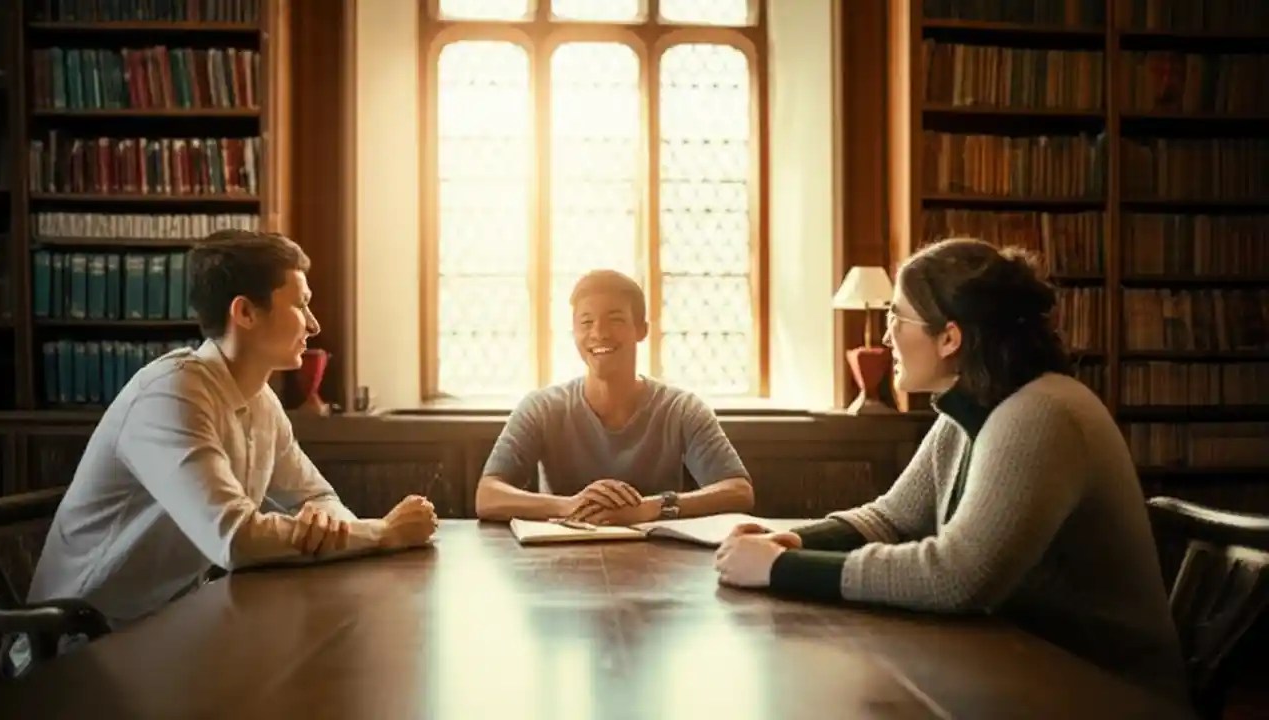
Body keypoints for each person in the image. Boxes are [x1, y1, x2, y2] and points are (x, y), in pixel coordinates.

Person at [714, 238, 1189, 705]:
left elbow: (957, 577)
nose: (885, 337)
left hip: (1108, 693)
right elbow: (891, 519)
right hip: (1024, 667)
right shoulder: (968, 413)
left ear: (949, 337)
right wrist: (793, 541)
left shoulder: (1042, 414)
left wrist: (781, 569)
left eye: (895, 319)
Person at [27, 230, 439, 630]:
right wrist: (381, 532)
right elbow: (236, 539)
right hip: (78, 646)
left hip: (171, 628)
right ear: (244, 312)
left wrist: (331, 525)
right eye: (300, 305)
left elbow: (317, 496)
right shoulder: (172, 394)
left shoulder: (262, 402)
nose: (313, 325)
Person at [475, 269, 754, 525]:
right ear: (574, 333)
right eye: (586, 322)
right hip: (560, 561)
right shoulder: (541, 407)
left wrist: (651, 508)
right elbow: (487, 495)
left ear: (641, 330)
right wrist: (568, 506)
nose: (599, 333)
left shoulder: (681, 409)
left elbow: (739, 491)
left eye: (615, 320)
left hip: (660, 563)